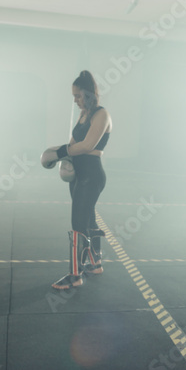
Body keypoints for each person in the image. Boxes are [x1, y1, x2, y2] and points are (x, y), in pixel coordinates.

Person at [41, 71, 111, 289]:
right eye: (73, 96)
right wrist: (60, 153)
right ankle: (95, 263)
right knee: (88, 219)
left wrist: (59, 151)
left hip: (91, 174)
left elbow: (87, 146)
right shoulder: (83, 116)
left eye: (78, 96)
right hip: (79, 175)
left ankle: (75, 275)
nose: (75, 100)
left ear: (88, 94)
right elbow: (73, 144)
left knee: (78, 224)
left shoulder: (101, 114)